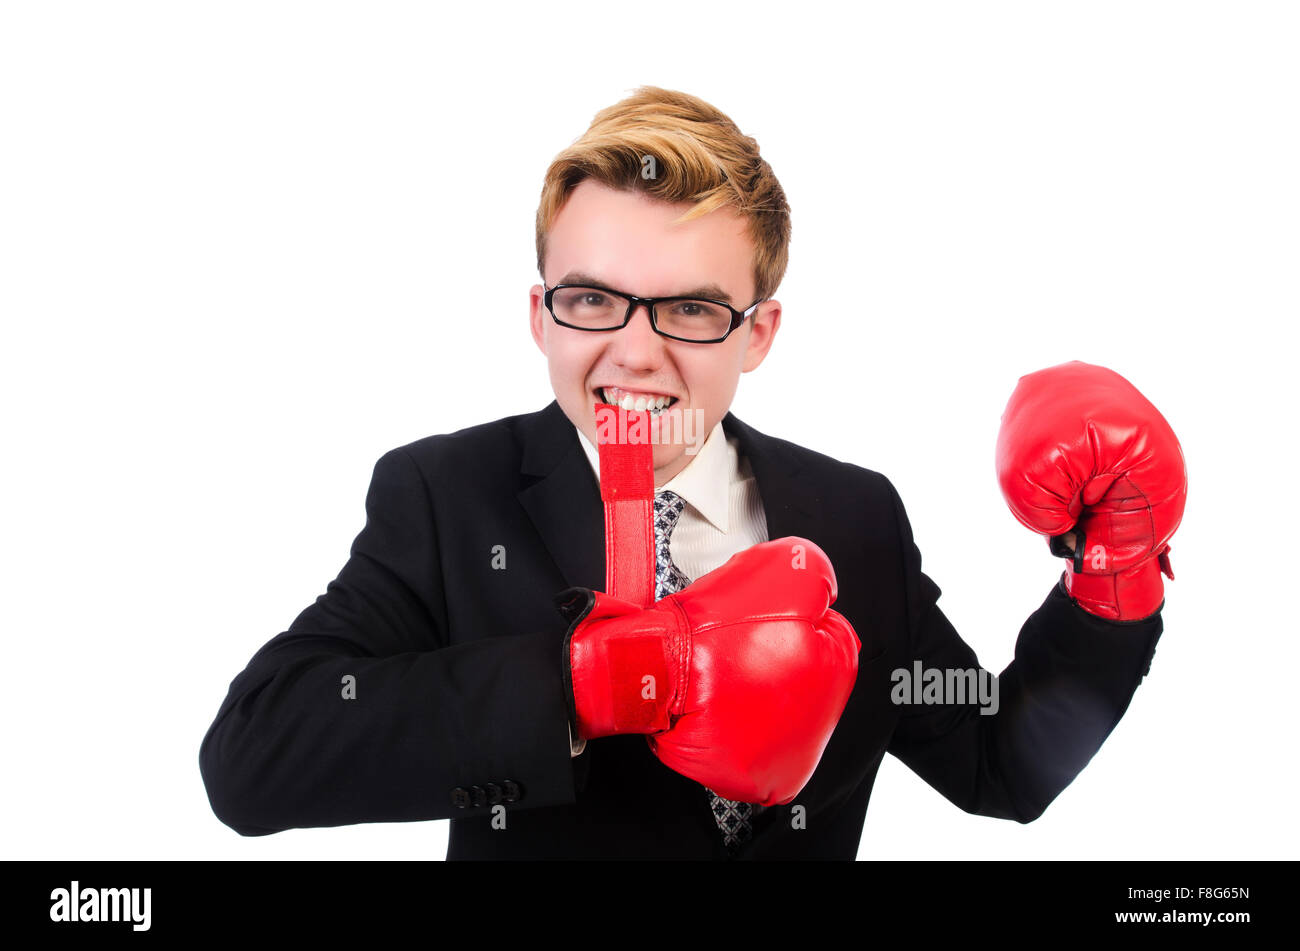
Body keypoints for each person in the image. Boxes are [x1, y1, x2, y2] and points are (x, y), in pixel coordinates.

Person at [198, 87, 1185, 860]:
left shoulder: (855, 514)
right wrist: (584, 685)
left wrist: (1113, 578)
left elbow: (1001, 759)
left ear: (757, 334)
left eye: (691, 309)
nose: (633, 353)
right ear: (540, 315)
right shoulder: (451, 495)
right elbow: (254, 757)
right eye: (592, 299)